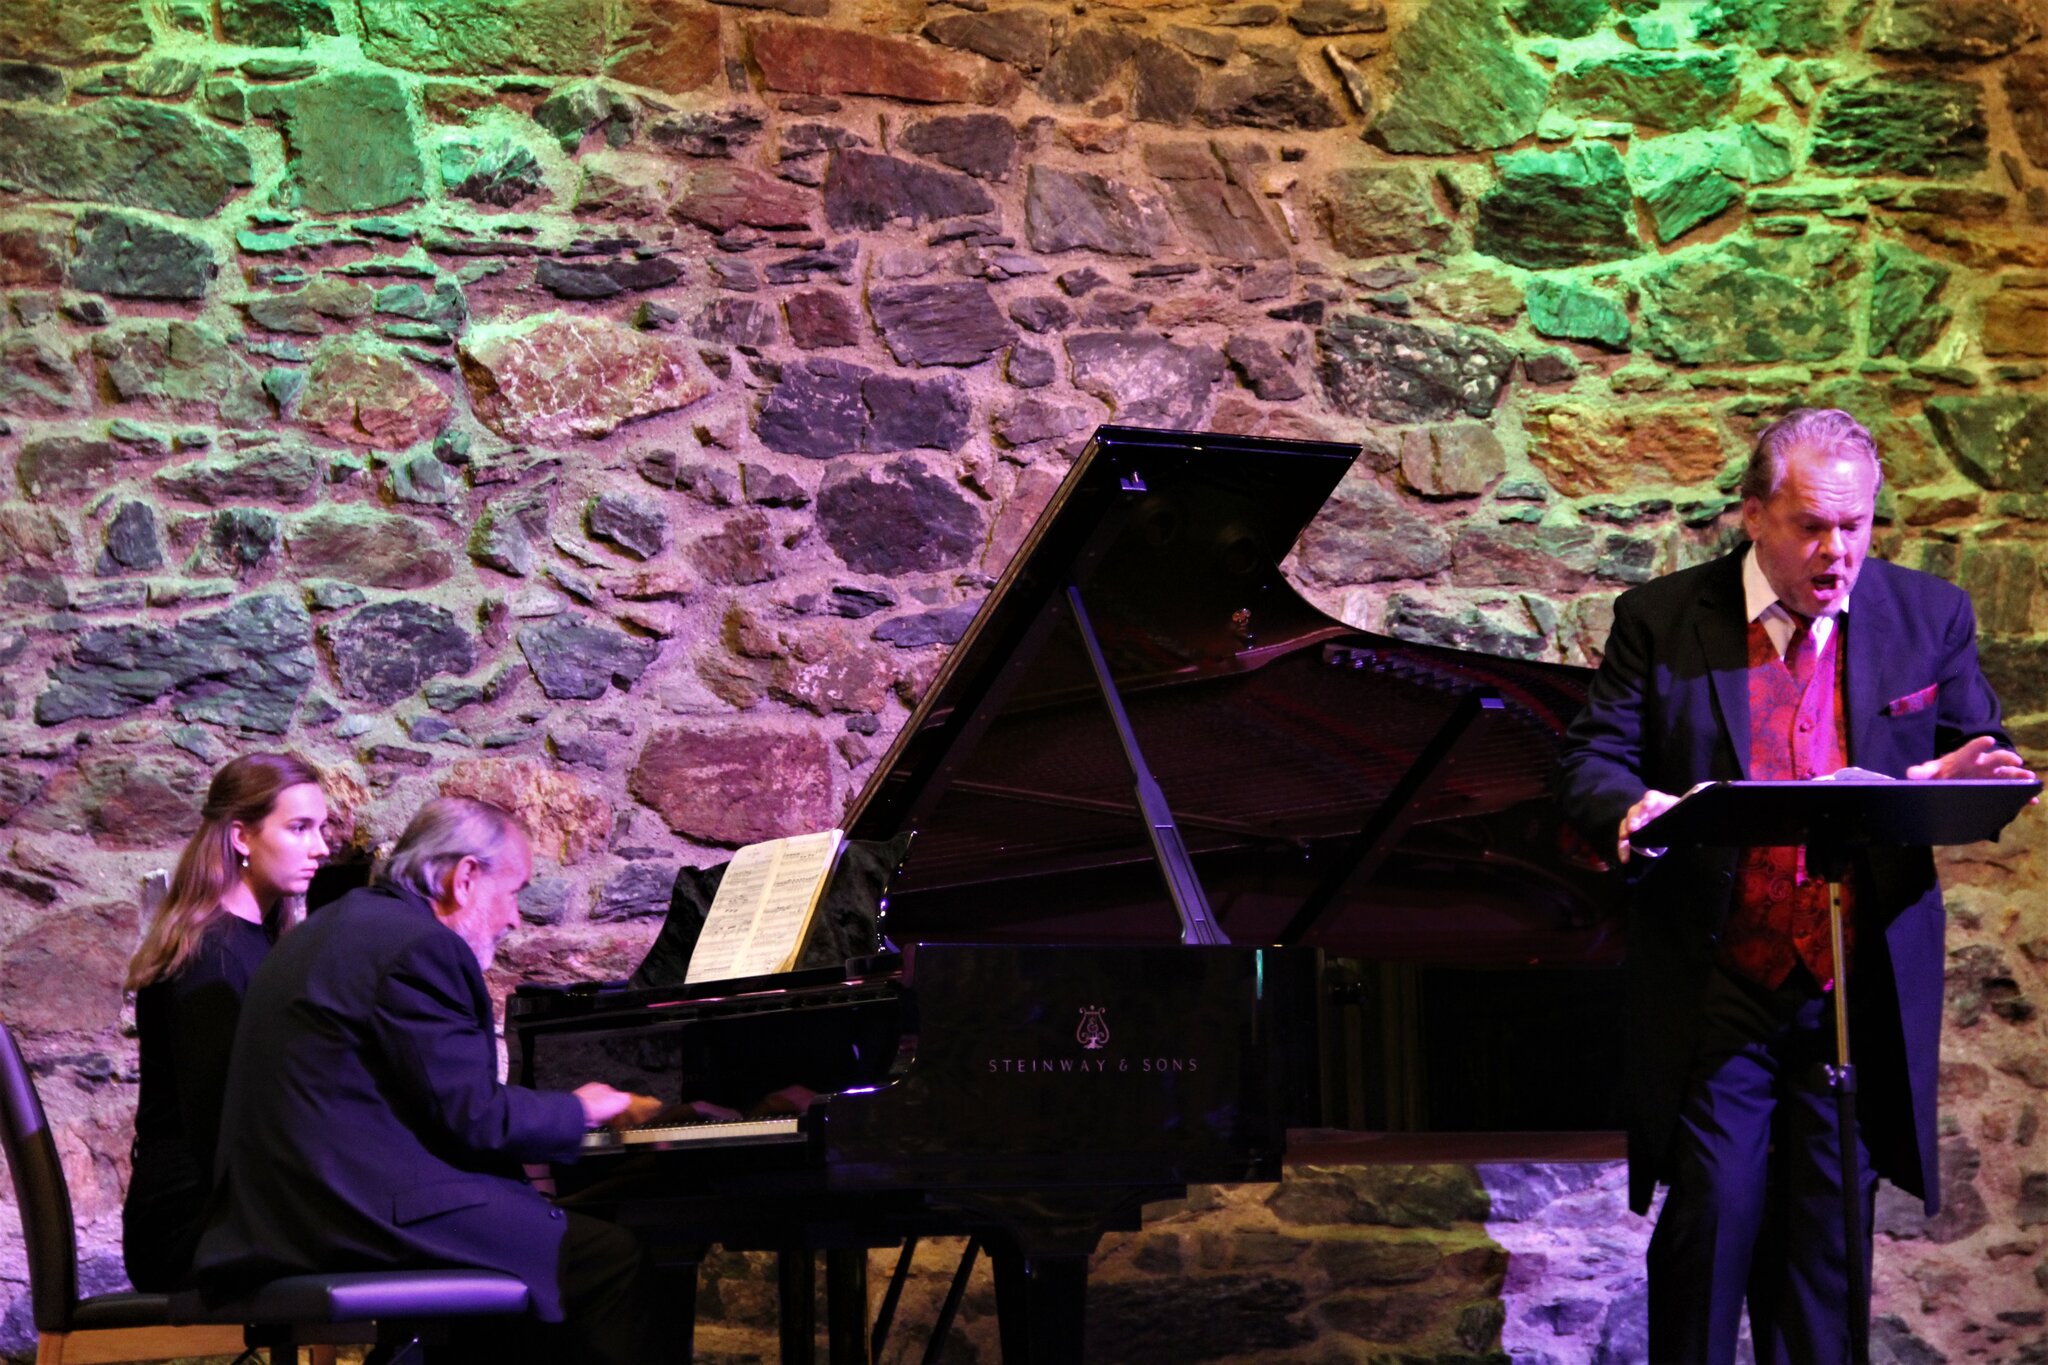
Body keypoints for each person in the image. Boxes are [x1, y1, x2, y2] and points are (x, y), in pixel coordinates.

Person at [1559, 407, 2035, 1365]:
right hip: (1718, 981)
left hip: (1854, 986)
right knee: (1713, 1226)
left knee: (1826, 1257)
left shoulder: (1927, 615)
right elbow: (1588, 763)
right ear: (1753, 516)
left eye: (1855, 526)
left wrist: (1968, 781)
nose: (1837, 551)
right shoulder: (1660, 620)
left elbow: (1977, 754)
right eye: (1813, 526)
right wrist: (1635, 804)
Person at [192, 797, 667, 1364]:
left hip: (290, 1214)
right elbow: (472, 1116)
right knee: (611, 1257)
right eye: (514, 892)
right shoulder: (422, 948)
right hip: (348, 1216)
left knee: (542, 1242)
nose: (515, 917)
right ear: (464, 877)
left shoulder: (334, 928)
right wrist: (582, 1109)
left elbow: (423, 1103)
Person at [123, 753, 330, 1292]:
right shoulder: (210, 961)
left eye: (321, 828)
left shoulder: (259, 941)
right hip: (193, 1228)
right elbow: (223, 1132)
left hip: (233, 1210)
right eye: (300, 828)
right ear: (241, 837)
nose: (322, 847)